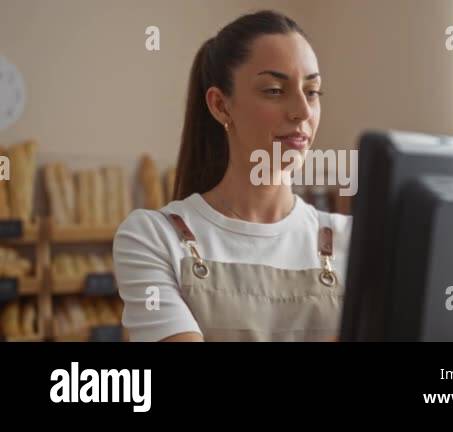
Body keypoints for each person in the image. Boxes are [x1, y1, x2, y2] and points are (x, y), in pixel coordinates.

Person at [113, 10, 352, 342]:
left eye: (312, 92)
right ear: (221, 106)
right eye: (273, 90)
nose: (302, 111)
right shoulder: (154, 239)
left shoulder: (350, 241)